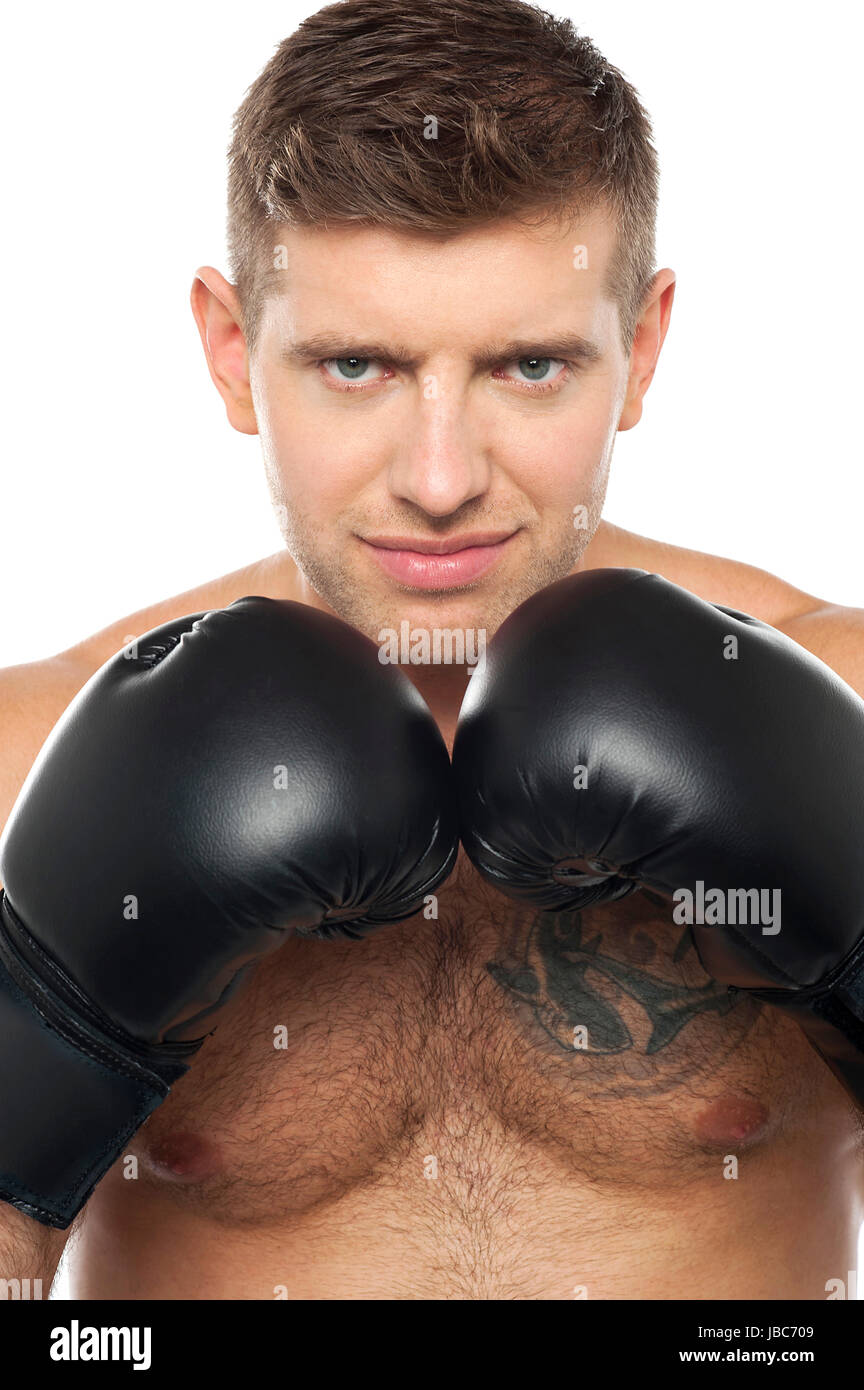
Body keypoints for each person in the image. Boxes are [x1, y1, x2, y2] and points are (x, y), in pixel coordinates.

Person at [1, 0, 862, 1300]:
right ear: (233, 353)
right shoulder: (24, 765)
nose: (443, 478)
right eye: (359, 366)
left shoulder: (844, 709)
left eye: (527, 366)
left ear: (641, 351)